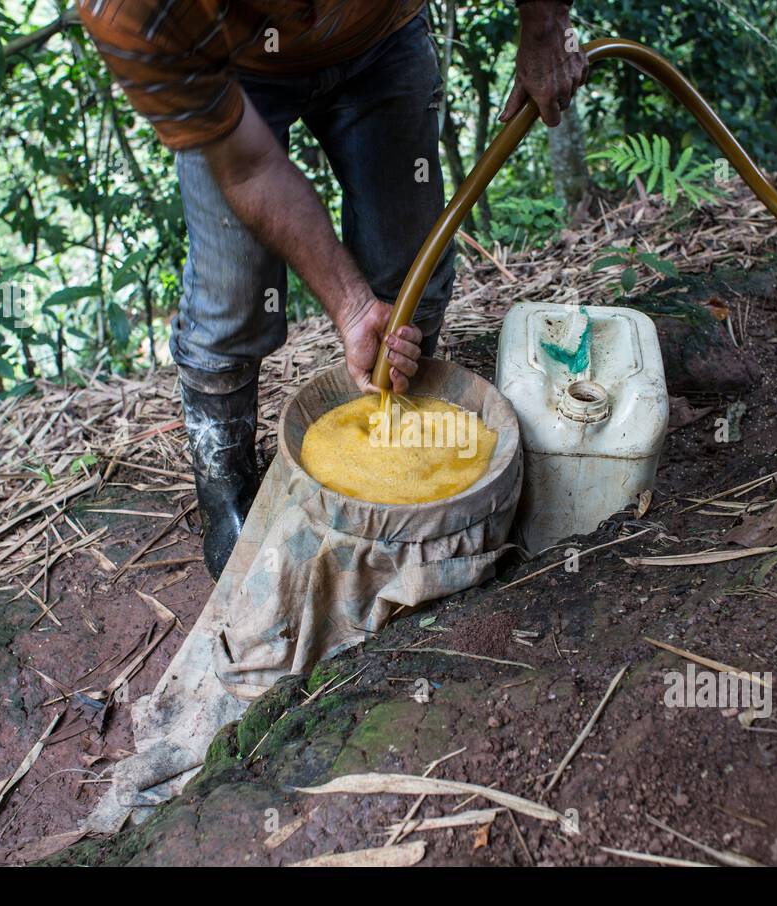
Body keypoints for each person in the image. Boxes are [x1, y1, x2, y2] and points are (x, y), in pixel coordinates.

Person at [79, 0, 588, 577]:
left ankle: (406, 447)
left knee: (409, 272)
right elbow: (248, 168)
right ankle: (226, 488)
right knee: (232, 300)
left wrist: (545, 24)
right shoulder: (133, 11)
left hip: (381, 33)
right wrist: (351, 306)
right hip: (234, 74)